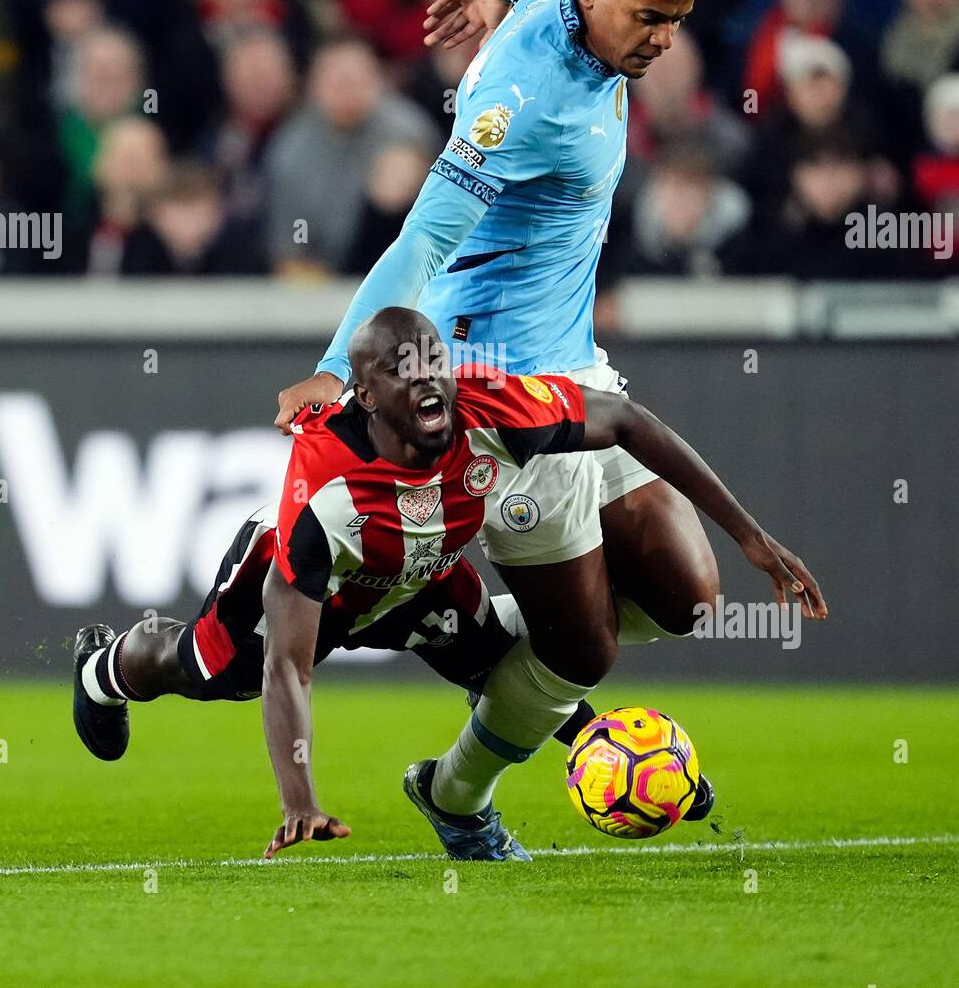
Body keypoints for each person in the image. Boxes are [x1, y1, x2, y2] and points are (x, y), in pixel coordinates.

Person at [272, 0, 828, 829]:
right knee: (583, 656)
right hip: (498, 390)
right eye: (650, 17)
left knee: (688, 599)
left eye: (679, 22)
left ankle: (456, 627)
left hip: (575, 364)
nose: (662, 39)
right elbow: (423, 242)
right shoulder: (524, 102)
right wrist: (337, 361)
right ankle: (456, 796)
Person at [73, 309, 824, 862]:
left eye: (434, 359)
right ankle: (107, 668)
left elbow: (626, 421)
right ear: (363, 397)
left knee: (516, 664)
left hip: (422, 580)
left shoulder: (488, 404)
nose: (428, 376)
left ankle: (616, 776)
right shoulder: (327, 493)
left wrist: (749, 535)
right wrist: (298, 799)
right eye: (403, 369)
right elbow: (287, 666)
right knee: (212, 674)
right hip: (328, 592)